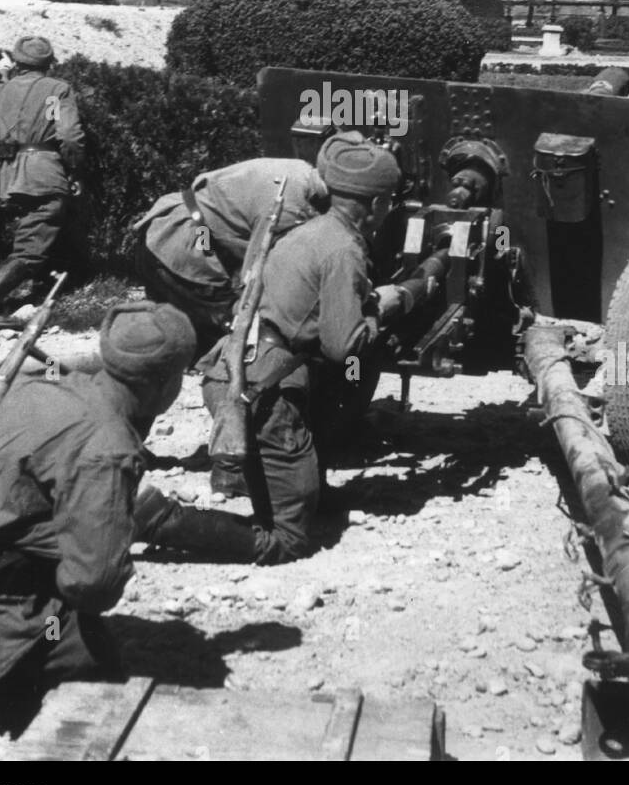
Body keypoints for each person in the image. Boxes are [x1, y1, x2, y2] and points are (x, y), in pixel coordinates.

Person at [0, 301, 197, 735]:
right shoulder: (108, 445)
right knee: (102, 697)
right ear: (165, 384)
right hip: (5, 629)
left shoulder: (41, 383)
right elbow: (93, 585)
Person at [134, 139, 425, 567]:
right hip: (257, 382)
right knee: (287, 540)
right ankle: (163, 520)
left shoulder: (300, 225)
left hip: (234, 372)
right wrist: (383, 311)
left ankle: (289, 472)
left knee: (308, 494)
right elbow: (342, 347)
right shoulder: (339, 245)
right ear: (379, 203)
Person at [133, 156, 332, 358]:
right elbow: (255, 273)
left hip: (167, 223)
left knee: (173, 330)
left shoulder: (299, 169)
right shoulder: (290, 205)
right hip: (186, 238)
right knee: (238, 326)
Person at [0, 36, 85, 321]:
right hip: (42, 172)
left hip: (9, 173)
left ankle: (49, 282)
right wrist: (76, 169)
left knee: (38, 228)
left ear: (18, 63)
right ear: (50, 63)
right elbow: (67, 134)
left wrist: (4, 74)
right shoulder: (56, 91)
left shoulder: (4, 90)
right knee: (33, 244)